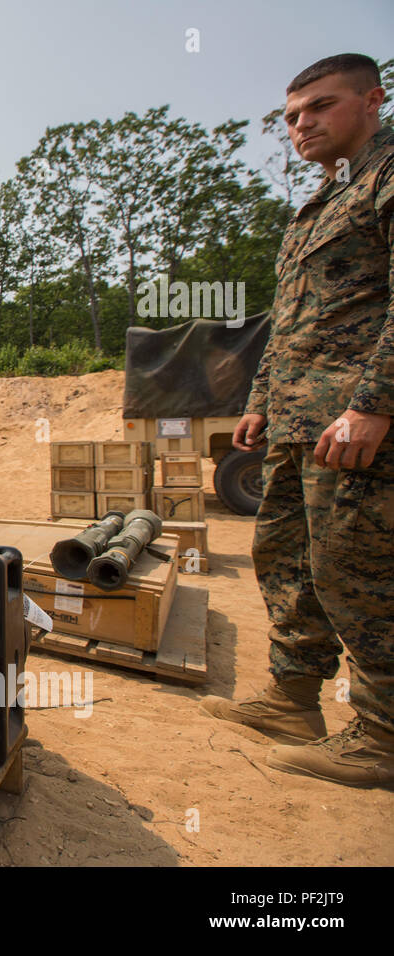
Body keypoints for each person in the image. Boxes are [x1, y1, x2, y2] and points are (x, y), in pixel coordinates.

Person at [202, 53, 394, 788]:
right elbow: (290, 323)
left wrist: (373, 403)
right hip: (297, 424)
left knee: (360, 574)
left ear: (373, 101)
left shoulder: (384, 177)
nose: (301, 125)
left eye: (320, 106)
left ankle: (381, 735)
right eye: (290, 115)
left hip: (356, 426)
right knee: (288, 563)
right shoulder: (323, 202)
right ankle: (292, 697)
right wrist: (259, 401)